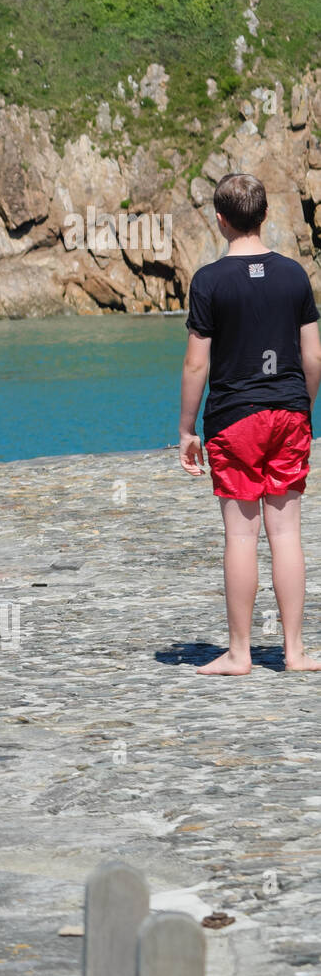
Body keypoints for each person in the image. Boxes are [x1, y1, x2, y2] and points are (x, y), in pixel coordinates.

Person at [180, 171, 321, 675]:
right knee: (286, 534)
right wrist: (299, 407)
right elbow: (314, 357)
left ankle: (240, 653)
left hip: (234, 419)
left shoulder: (209, 281)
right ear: (265, 215)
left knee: (241, 538)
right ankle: (296, 652)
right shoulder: (293, 276)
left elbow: (197, 364)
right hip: (289, 412)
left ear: (220, 221)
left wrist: (186, 428)